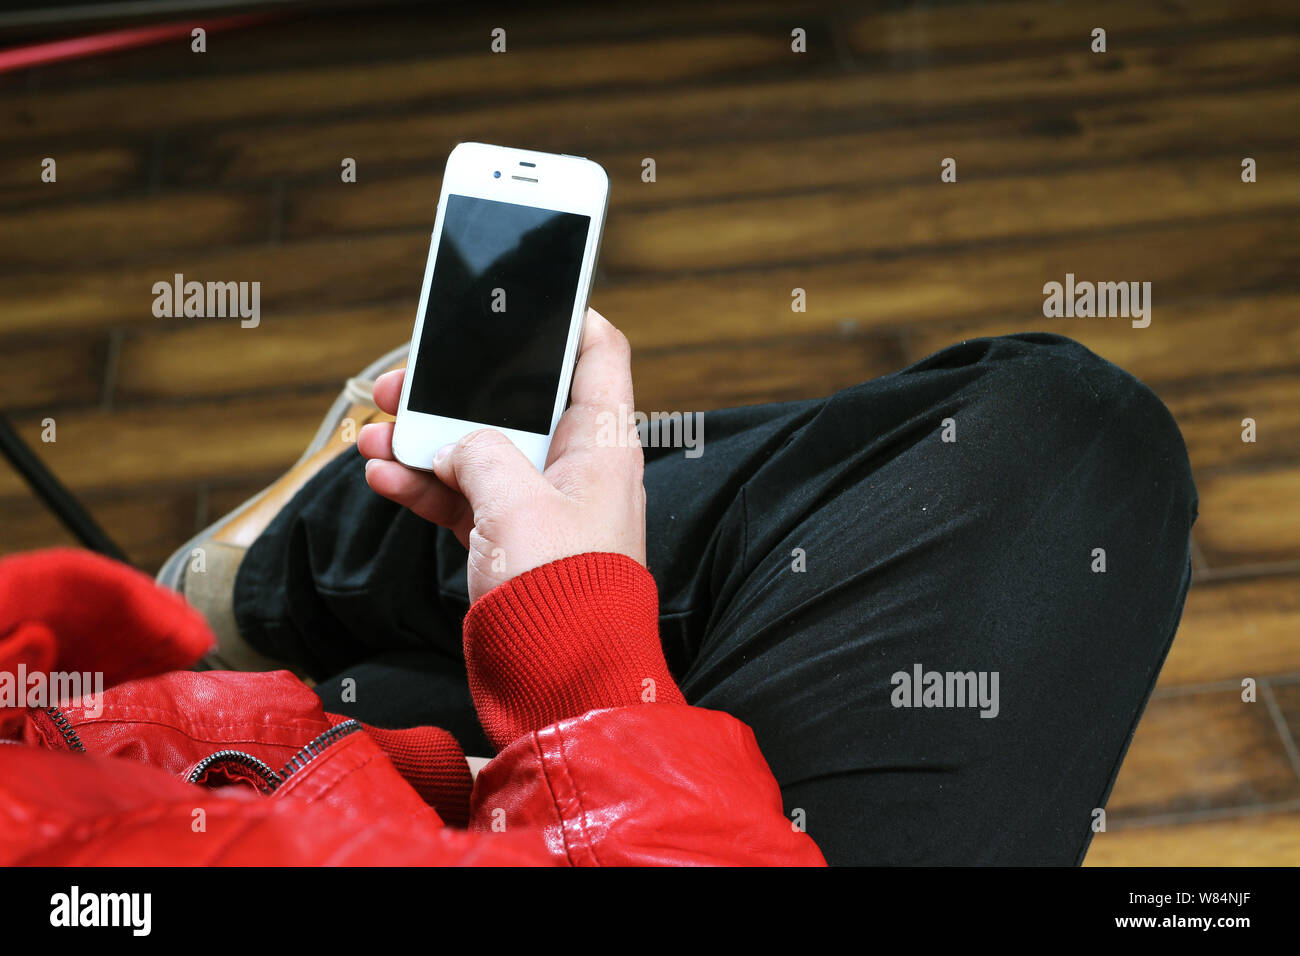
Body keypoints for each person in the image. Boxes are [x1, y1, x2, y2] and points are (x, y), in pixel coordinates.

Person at [226, 310, 1199, 865]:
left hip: (258, 761)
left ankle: (280, 576)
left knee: (397, 684)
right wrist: (579, 658)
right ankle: (299, 554)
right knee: (1076, 438)